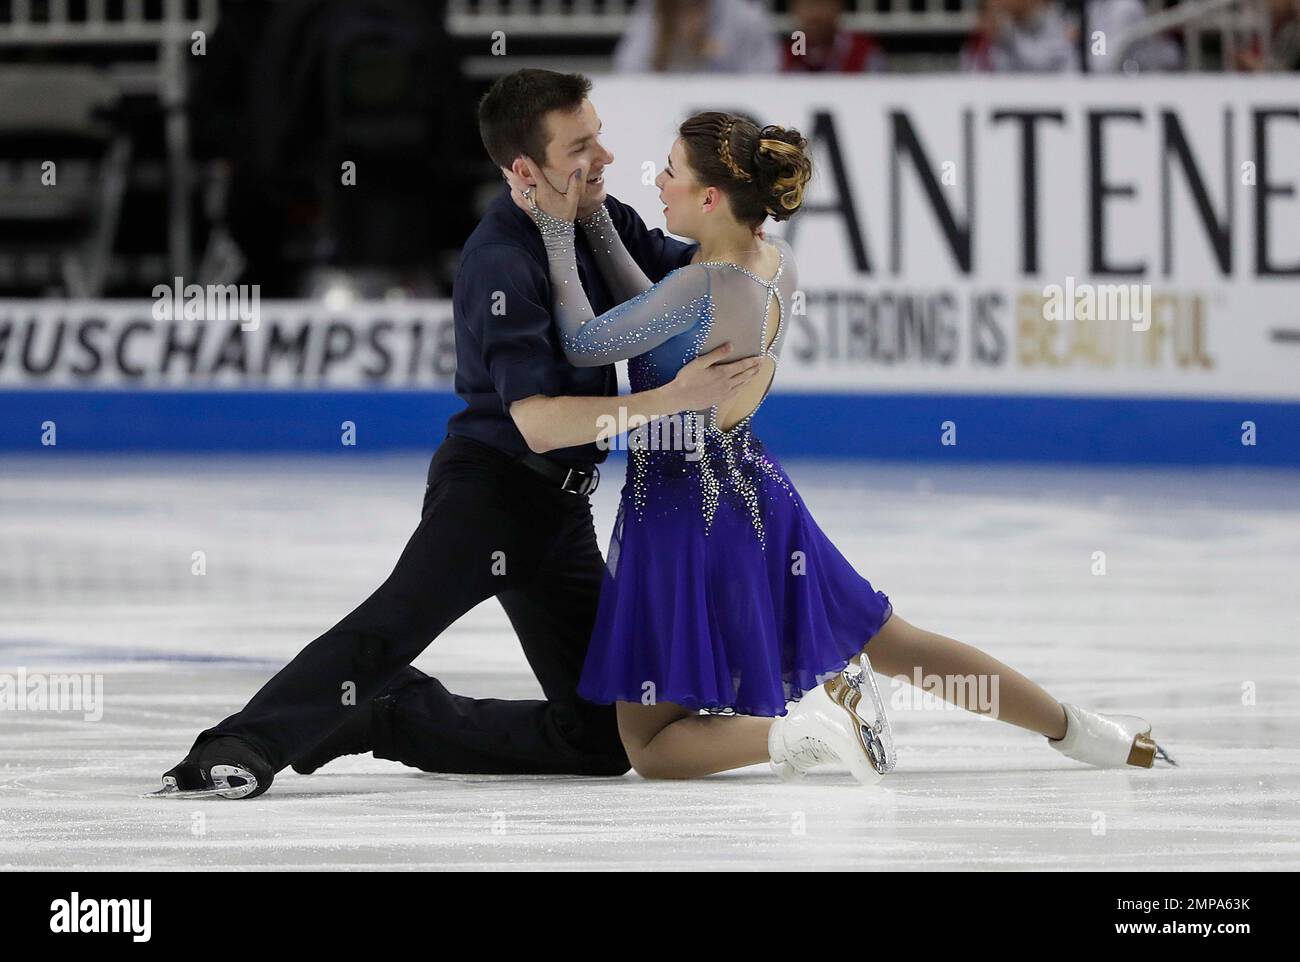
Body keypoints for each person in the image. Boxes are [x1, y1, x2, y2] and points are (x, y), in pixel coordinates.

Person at [501, 111, 1175, 782]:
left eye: (670, 172)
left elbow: (589, 340)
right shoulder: (769, 263)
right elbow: (653, 313)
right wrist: (592, 221)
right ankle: (1083, 730)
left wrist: (557, 231)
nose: (659, 182)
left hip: (681, 515)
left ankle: (799, 730)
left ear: (710, 198)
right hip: (759, 497)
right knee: (900, 646)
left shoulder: (698, 285)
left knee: (649, 747)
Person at [150, 69, 766, 799]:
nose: (602, 157)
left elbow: (700, 278)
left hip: (561, 512)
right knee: (391, 628)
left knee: (603, 738)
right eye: (581, 146)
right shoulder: (499, 261)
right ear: (525, 170)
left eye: (598, 136)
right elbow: (538, 423)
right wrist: (670, 399)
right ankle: (239, 745)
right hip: (491, 493)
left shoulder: (606, 220)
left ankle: (389, 715)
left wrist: (751, 243)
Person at [614, 0, 780, 74]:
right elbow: (627, 71)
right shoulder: (652, 11)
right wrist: (660, 54)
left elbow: (765, 77)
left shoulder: (745, 16)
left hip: (731, 118)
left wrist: (718, 59)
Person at [962, 0, 1078, 73]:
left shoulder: (1062, 22)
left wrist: (1006, 36)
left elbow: (1041, 66)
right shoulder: (992, 30)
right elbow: (973, 78)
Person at [781, 0, 885, 74]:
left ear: (840, 6)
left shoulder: (865, 53)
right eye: (808, 4)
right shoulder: (782, 55)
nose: (816, 15)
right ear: (794, 9)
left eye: (823, 4)